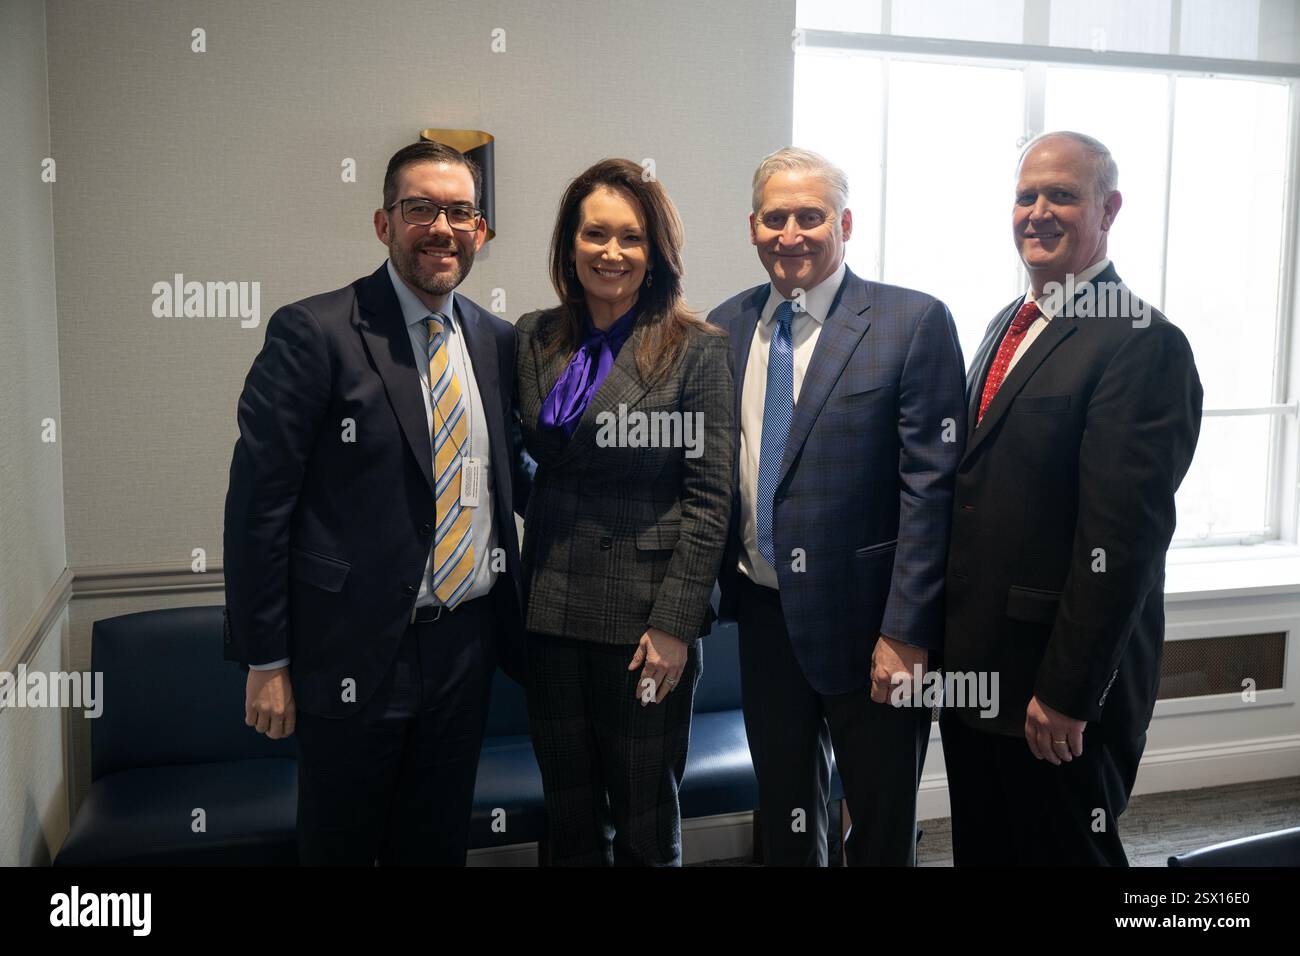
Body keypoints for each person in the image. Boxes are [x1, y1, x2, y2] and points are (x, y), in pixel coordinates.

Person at [223, 140, 528, 865]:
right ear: (384, 223)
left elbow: (513, 475)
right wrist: (267, 659)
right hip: (352, 649)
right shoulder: (316, 333)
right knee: (342, 847)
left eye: (460, 212)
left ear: (480, 230)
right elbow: (258, 506)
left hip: (466, 643)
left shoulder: (497, 342)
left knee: (437, 844)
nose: (442, 228)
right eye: (420, 208)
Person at [941, 131, 1203, 866]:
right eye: (1027, 195)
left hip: (1051, 691)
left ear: (1109, 209)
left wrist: (1066, 691)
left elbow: (1121, 542)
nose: (1038, 212)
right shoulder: (1006, 323)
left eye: (1063, 194)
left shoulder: (1144, 343)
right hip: (976, 676)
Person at [709, 147, 967, 865]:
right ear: (753, 227)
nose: (791, 233)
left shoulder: (910, 323)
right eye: (775, 218)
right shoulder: (722, 328)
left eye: (810, 216)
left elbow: (932, 491)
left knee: (882, 834)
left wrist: (908, 633)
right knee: (787, 823)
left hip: (873, 631)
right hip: (764, 619)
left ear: (845, 223)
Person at [514, 159, 734, 866]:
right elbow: (525, 458)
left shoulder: (695, 351)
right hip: (549, 610)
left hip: (645, 622)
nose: (610, 253)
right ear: (569, 244)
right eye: (595, 234)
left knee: (644, 823)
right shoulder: (535, 336)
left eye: (630, 238)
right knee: (569, 819)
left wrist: (674, 627)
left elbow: (709, 500)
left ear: (655, 252)